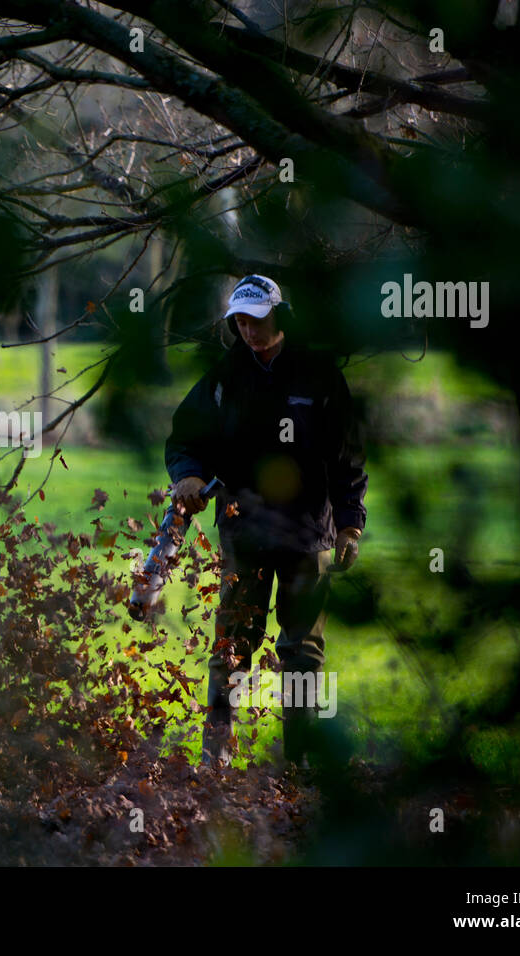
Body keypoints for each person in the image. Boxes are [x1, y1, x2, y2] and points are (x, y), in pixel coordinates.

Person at [164, 275, 367, 769]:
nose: (247, 329)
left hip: (308, 534)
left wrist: (349, 525)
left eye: (256, 319)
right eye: (239, 321)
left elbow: (348, 458)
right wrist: (188, 476)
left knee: (302, 653)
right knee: (233, 644)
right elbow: (186, 437)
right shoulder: (223, 377)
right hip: (245, 533)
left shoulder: (319, 376)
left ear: (280, 316)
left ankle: (297, 764)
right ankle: (217, 760)